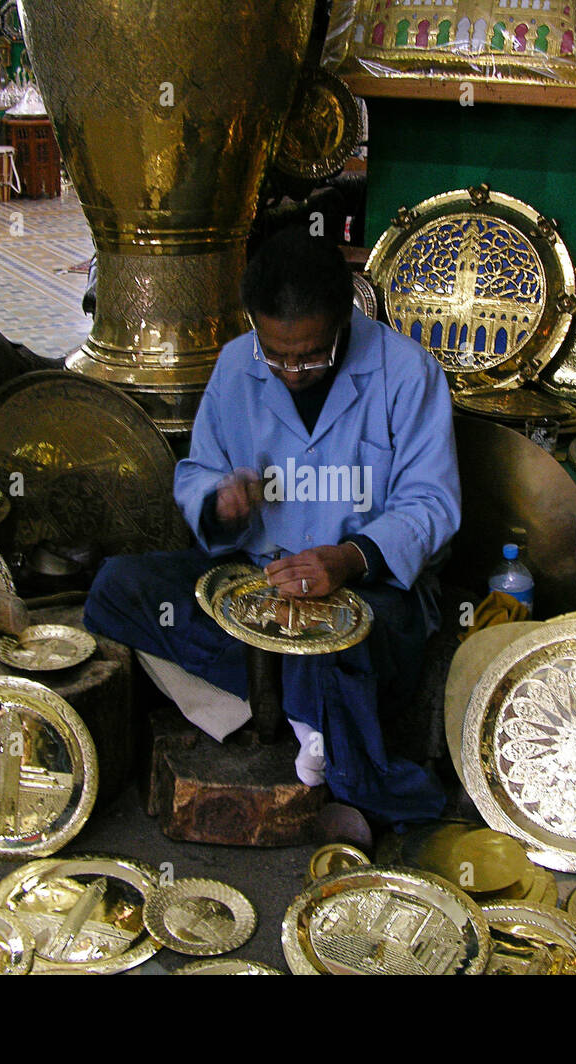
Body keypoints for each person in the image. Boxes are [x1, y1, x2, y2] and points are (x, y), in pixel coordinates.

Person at [83, 228, 462, 824]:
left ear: (344, 320)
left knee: (336, 648)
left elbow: (431, 504)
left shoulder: (407, 374)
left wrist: (348, 558)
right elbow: (199, 470)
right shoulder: (239, 363)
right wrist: (220, 501)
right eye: (277, 353)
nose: (290, 370)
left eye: (311, 354)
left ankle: (309, 722)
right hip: (256, 576)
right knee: (116, 588)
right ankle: (307, 712)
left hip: (369, 587)